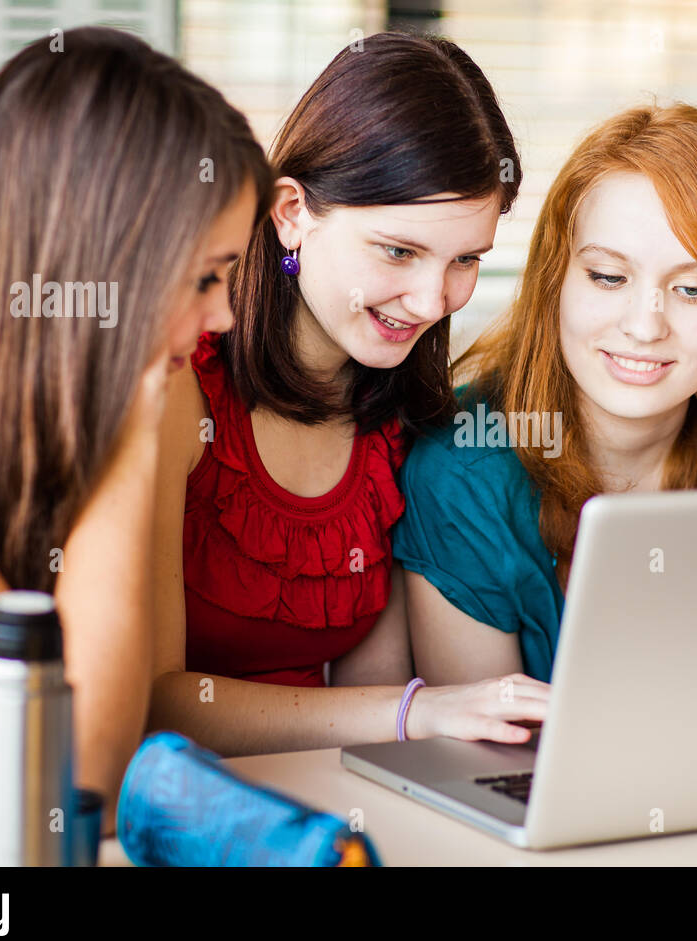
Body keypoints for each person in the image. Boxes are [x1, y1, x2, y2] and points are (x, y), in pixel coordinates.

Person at [0, 27, 272, 818]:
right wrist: (127, 437)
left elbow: (127, 723)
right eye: (201, 278)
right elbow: (74, 777)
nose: (221, 316)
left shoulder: (61, 390)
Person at [148, 32, 549, 755]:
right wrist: (417, 714)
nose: (432, 300)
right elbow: (153, 703)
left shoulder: (400, 413)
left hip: (329, 794)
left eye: (466, 260)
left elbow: (373, 681)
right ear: (292, 211)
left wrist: (411, 724)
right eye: (399, 250)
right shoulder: (179, 386)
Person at [393, 103, 697, 685]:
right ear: (556, 280)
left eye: (693, 288)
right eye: (609, 277)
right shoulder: (464, 472)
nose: (645, 326)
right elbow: (482, 755)